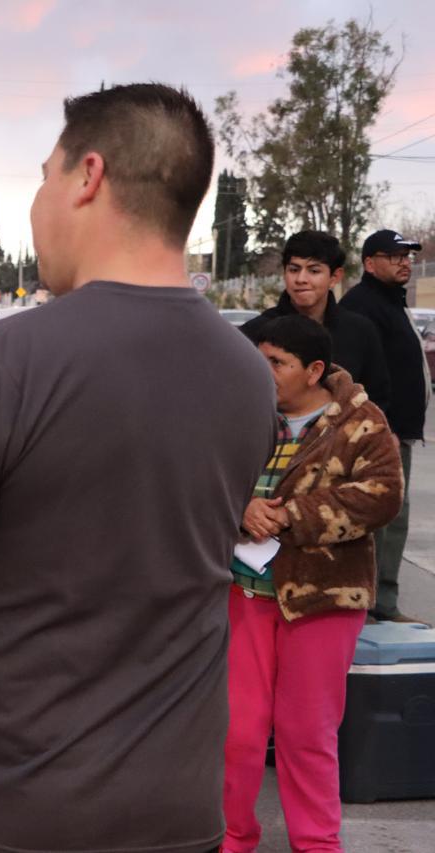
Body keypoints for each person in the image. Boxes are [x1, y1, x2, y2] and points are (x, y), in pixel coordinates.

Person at [0, 83, 277, 853]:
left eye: (44, 176)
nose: (37, 204)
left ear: (88, 178)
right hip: (175, 812)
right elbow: (124, 500)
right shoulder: (250, 375)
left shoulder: (4, 359)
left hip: (10, 805)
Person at [223, 315, 402, 853]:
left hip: (323, 598)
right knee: (237, 731)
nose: (263, 371)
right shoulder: (240, 414)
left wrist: (289, 515)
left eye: (276, 362)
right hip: (243, 594)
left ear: (315, 370)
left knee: (306, 733)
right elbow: (200, 480)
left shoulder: (360, 422)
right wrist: (240, 507)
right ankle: (230, 838)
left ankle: (317, 844)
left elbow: (381, 496)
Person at [340, 229, 430, 623]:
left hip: (396, 433)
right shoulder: (363, 305)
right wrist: (380, 427)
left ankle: (381, 602)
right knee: (383, 521)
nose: (404, 263)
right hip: (379, 436)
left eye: (408, 257)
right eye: (395, 256)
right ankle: (375, 605)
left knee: (393, 520)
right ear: (370, 262)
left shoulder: (391, 303)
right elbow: (360, 376)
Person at [240, 230, 388, 408]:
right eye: (294, 269)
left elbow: (377, 399)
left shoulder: (361, 331)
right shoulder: (255, 333)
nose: (301, 279)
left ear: (335, 277)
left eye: (314, 270)